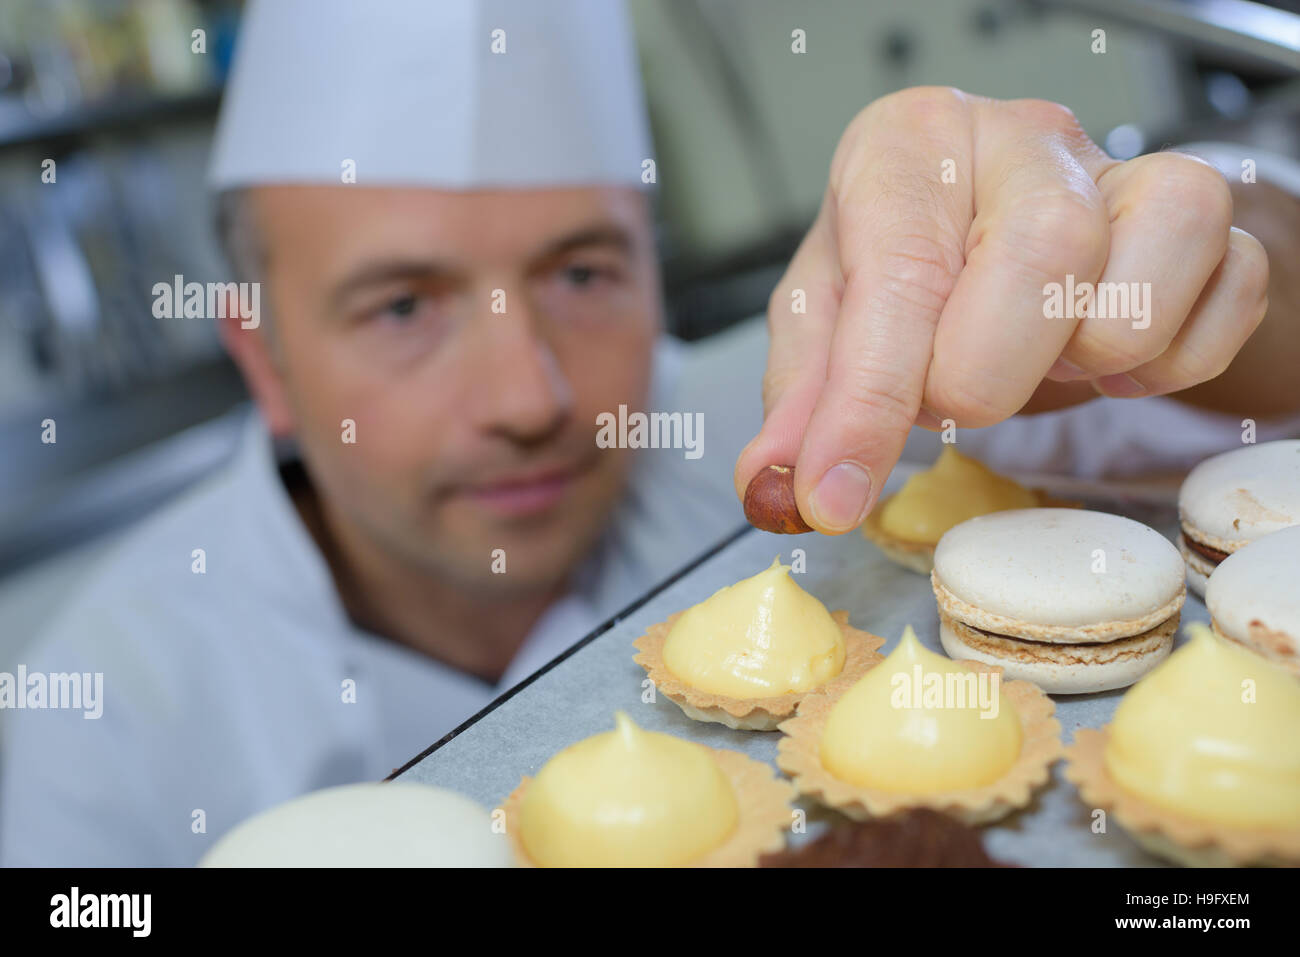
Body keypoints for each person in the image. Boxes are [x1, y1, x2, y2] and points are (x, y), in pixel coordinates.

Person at [1, 0, 1295, 866]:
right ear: (263, 359)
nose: (528, 396)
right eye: (401, 305)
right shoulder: (91, 741)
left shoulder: (791, 435)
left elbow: (1253, 373)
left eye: (580, 274)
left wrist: (1167, 230)